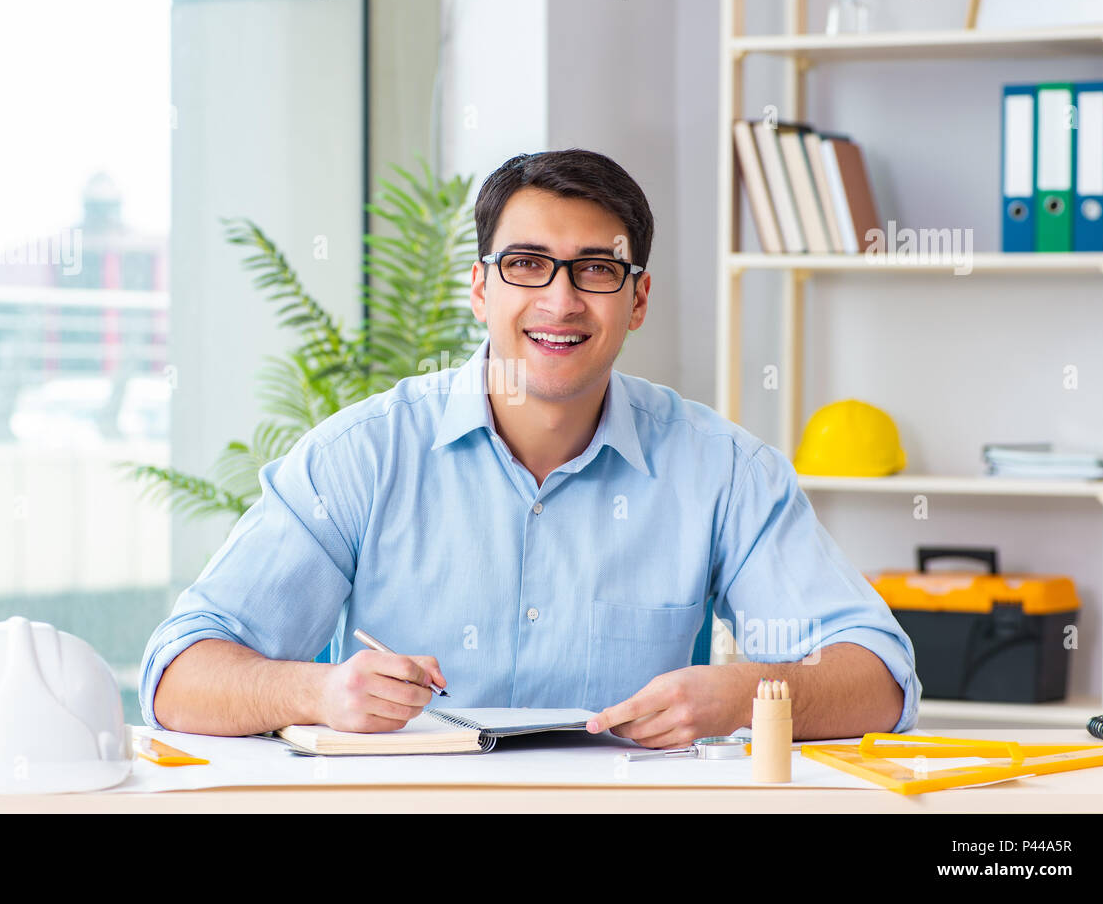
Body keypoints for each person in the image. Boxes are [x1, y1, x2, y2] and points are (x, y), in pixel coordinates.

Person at [140, 148, 918, 748]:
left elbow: (879, 679)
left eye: (597, 269)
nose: (560, 299)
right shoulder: (364, 455)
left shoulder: (721, 470)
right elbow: (178, 676)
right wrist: (315, 694)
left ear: (637, 299)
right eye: (526, 265)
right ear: (481, 288)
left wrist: (747, 696)